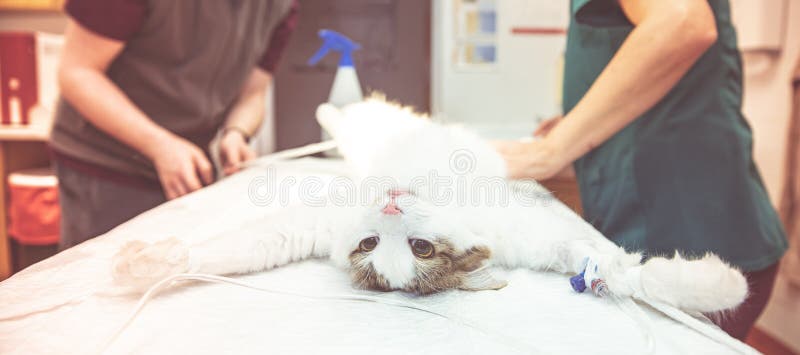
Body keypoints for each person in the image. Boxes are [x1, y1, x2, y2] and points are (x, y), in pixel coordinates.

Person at [495, 0, 787, 340]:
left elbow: (683, 22)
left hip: (694, 247)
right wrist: (576, 127)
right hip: (666, 229)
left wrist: (550, 150)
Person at [50, 0, 298, 249]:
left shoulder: (282, 5)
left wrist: (236, 132)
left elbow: (254, 91)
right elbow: (78, 72)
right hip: (106, 165)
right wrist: (159, 145)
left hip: (188, 169)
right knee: (104, 280)